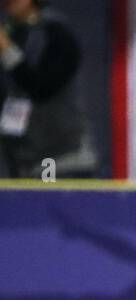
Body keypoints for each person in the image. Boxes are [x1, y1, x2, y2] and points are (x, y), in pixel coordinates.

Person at [0, 0, 98, 178]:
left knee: (48, 203)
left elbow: (41, 88)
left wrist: (7, 49)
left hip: (58, 157)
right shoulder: (13, 32)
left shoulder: (55, 33)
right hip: (21, 158)